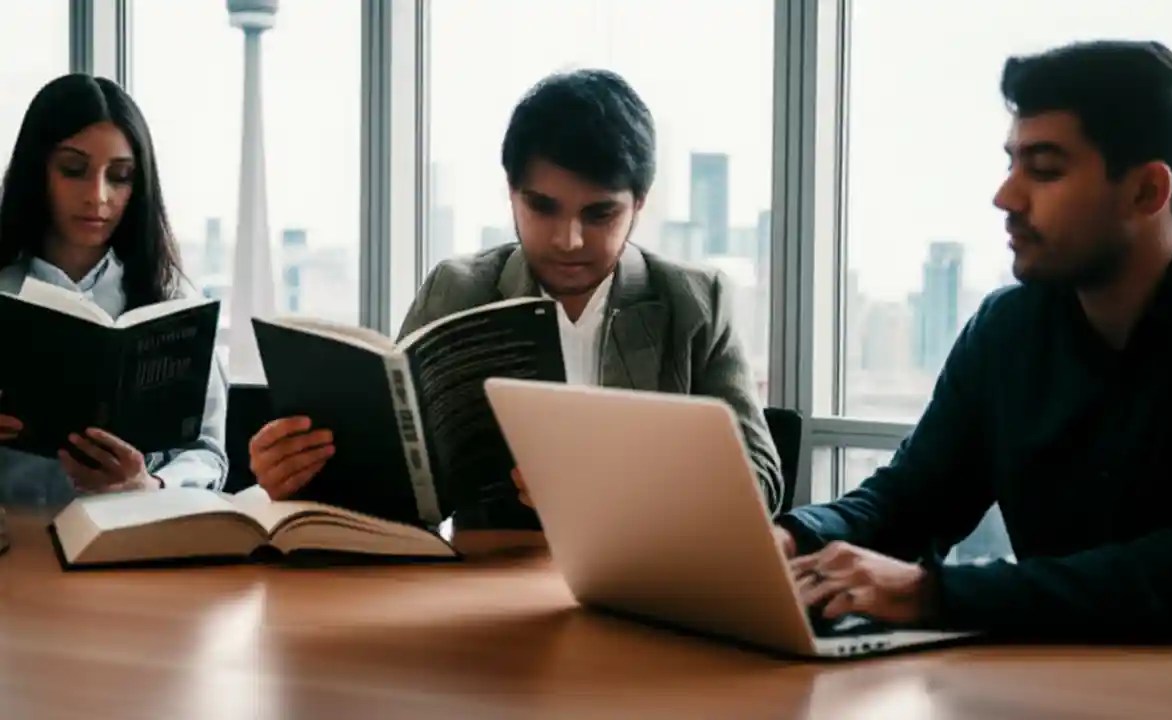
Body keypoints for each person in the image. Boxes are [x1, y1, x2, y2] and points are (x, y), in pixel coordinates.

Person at [775, 40, 1172, 641]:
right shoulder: (1007, 330)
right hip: (1055, 682)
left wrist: (932, 593)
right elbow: (909, 502)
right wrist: (790, 538)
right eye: (1011, 164)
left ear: (1146, 193)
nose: (1006, 197)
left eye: (1043, 170)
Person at [249, 69, 783, 527]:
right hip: (486, 583)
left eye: (600, 215)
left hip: (648, 587)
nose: (567, 239)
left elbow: (761, 486)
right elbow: (400, 480)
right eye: (542, 207)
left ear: (639, 204)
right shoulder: (458, 289)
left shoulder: (696, 303)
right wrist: (304, 479)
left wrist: (620, 489)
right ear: (511, 193)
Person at [0, 74, 228, 508]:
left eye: (120, 176)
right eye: (73, 170)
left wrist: (149, 486)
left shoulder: (174, 301)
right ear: (38, 170)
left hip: (130, 542)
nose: (98, 196)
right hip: (14, 548)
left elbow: (209, 453)